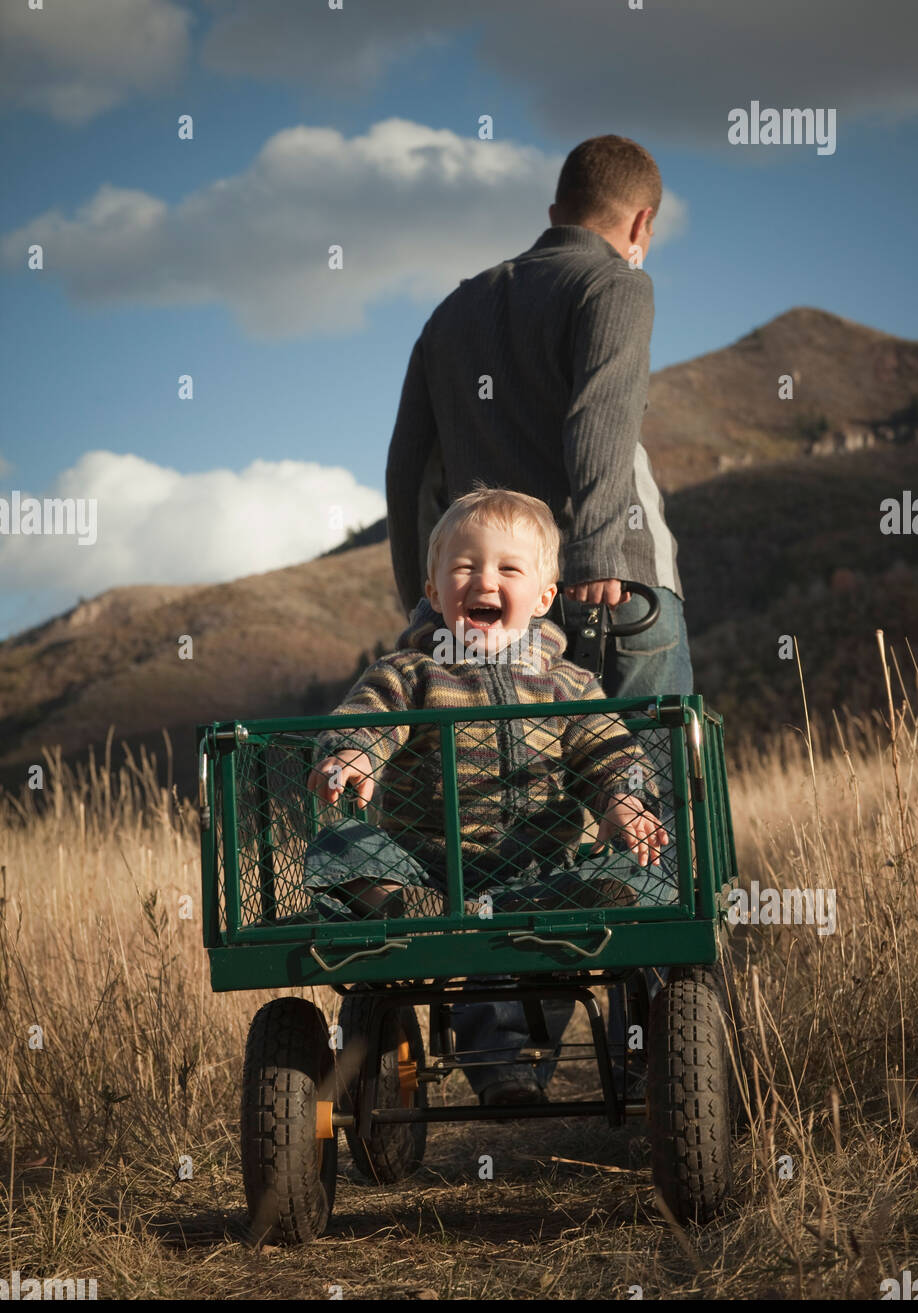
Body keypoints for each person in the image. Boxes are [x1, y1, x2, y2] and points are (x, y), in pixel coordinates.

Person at [384, 134, 694, 1097]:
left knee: (503, 816)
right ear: (638, 223)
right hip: (615, 594)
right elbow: (598, 417)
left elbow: (407, 466)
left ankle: (505, 1045)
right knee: (641, 808)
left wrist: (420, 600)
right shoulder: (616, 286)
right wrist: (600, 553)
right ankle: (660, 1061)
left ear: (556, 202)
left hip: (475, 618)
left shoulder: (456, 307)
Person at [304, 487, 677, 1105]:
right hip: (433, 868)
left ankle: (522, 1062)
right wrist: (353, 753)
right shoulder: (413, 672)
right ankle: (401, 906)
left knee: (641, 878)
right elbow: (368, 713)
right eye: (465, 566)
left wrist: (624, 800)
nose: (484, 579)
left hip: (539, 869)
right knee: (339, 845)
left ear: (544, 596)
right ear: (433, 591)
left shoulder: (567, 681)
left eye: (508, 568)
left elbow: (609, 749)